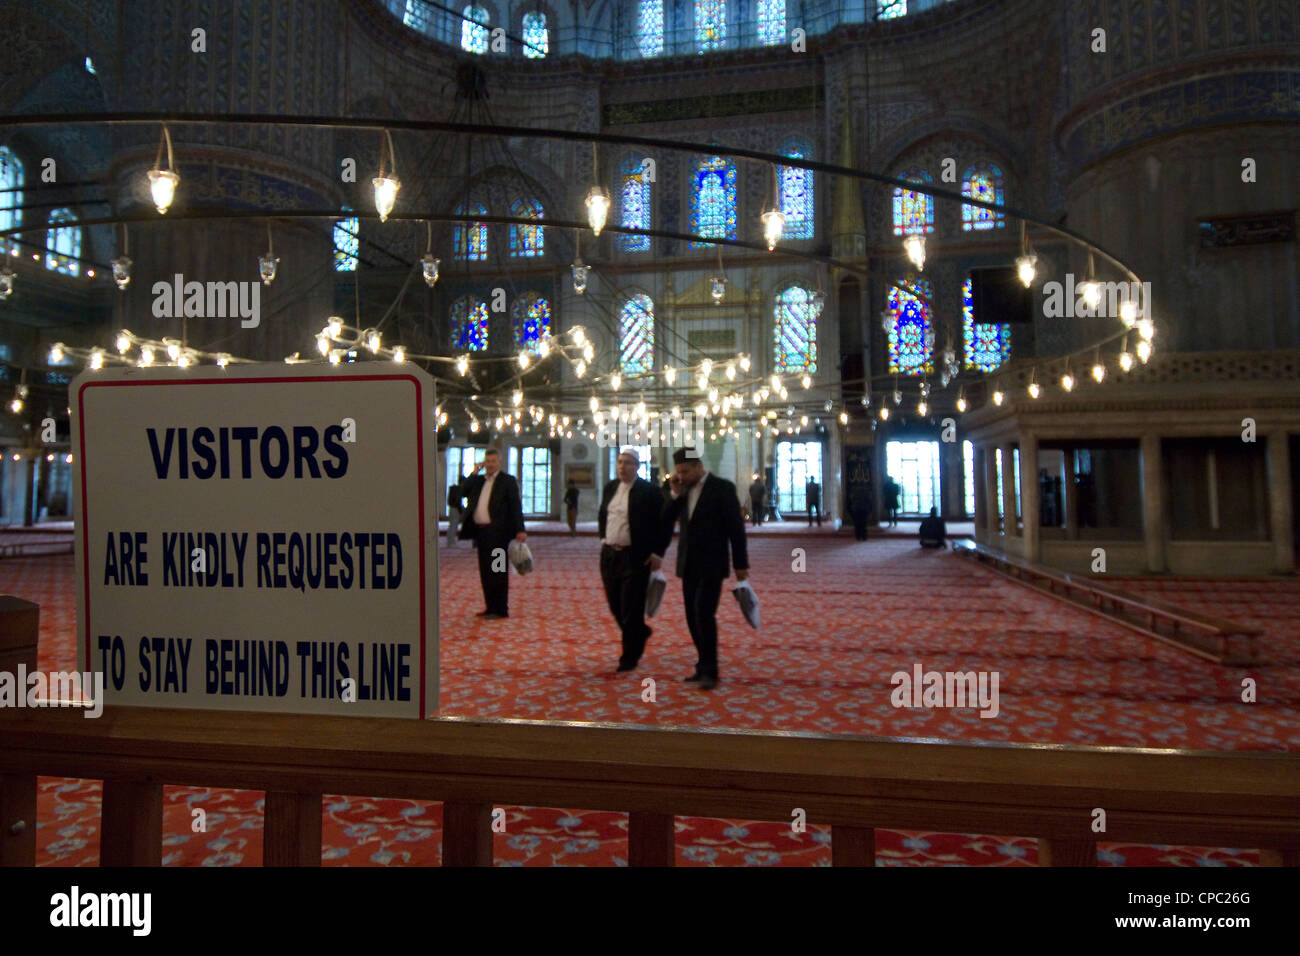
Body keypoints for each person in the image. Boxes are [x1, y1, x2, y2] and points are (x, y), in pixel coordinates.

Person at [663, 448, 749, 691]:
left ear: (699, 467)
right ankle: (702, 664)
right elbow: (665, 519)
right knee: (691, 617)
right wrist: (674, 493)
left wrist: (740, 564)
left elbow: (736, 529)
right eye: (678, 471)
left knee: (703, 613)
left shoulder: (723, 488)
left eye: (685, 471)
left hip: (712, 563)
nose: (681, 475)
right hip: (688, 564)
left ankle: (711, 670)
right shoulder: (682, 490)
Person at [598, 448, 669, 672]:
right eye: (620, 462)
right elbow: (603, 515)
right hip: (609, 555)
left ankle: (629, 656)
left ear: (637, 466)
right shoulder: (610, 488)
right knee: (615, 605)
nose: (622, 467)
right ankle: (640, 631)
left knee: (631, 608)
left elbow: (663, 524)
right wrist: (603, 539)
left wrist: (658, 552)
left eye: (628, 463)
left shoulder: (649, 491)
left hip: (635, 556)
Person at [459, 449, 526, 620]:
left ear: (499, 462)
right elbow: (462, 491)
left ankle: (500, 608)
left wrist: (520, 529)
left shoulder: (507, 481)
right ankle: (489, 607)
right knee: (486, 572)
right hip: (482, 535)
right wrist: (474, 472)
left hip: (498, 535)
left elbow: (515, 506)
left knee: (498, 571)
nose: (489, 464)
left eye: (493, 461)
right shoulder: (479, 481)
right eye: (487, 461)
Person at [446, 473, 464, 547]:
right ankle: (451, 542)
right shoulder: (458, 489)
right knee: (453, 526)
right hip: (455, 509)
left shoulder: (453, 488)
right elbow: (457, 502)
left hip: (452, 508)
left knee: (452, 526)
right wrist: (461, 510)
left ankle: (449, 541)